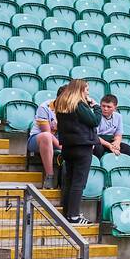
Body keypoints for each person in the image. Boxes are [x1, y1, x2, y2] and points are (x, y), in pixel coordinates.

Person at [52, 79, 99, 225]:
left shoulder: (61, 105)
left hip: (68, 147)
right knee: (79, 183)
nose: (88, 93)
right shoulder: (79, 105)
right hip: (82, 147)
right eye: (86, 90)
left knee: (70, 181)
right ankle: (74, 216)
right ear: (79, 90)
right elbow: (94, 121)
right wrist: (96, 106)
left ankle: (67, 214)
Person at [28, 97, 61, 190]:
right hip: (37, 139)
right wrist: (62, 147)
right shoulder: (44, 107)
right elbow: (48, 133)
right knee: (46, 136)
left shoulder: (71, 108)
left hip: (59, 141)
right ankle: (49, 176)